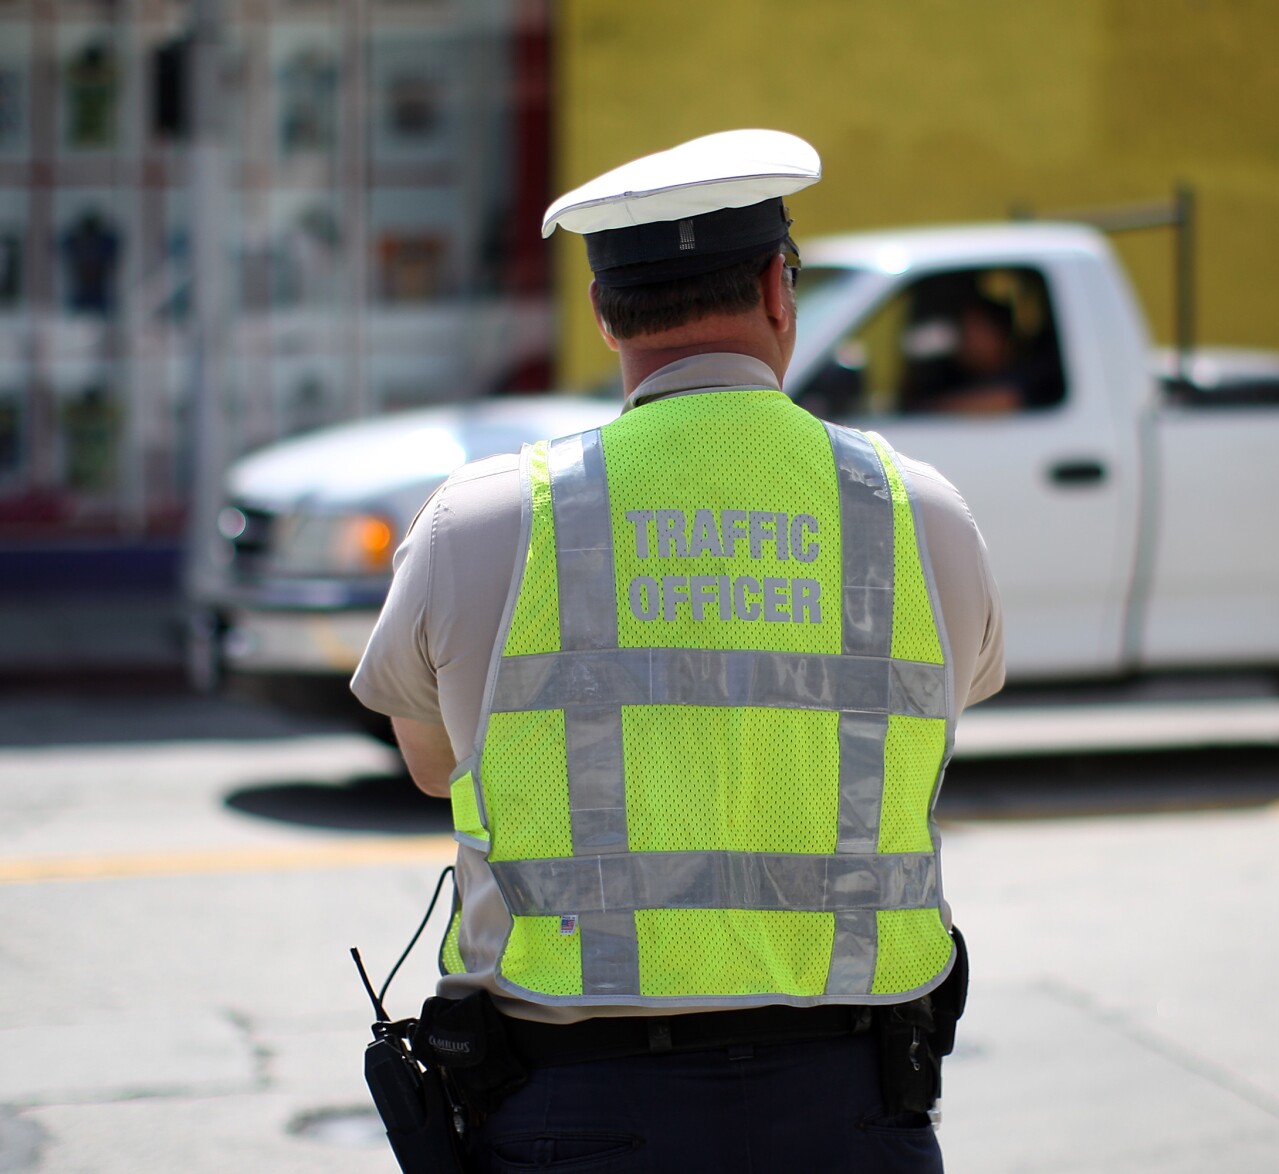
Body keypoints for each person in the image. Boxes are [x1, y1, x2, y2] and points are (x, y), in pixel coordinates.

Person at [351, 129, 1005, 1172]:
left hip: (576, 1107)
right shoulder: (915, 514)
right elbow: (925, 722)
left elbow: (433, 763)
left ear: (605, 312)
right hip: (851, 1109)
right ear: (777, 290)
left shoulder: (480, 520)